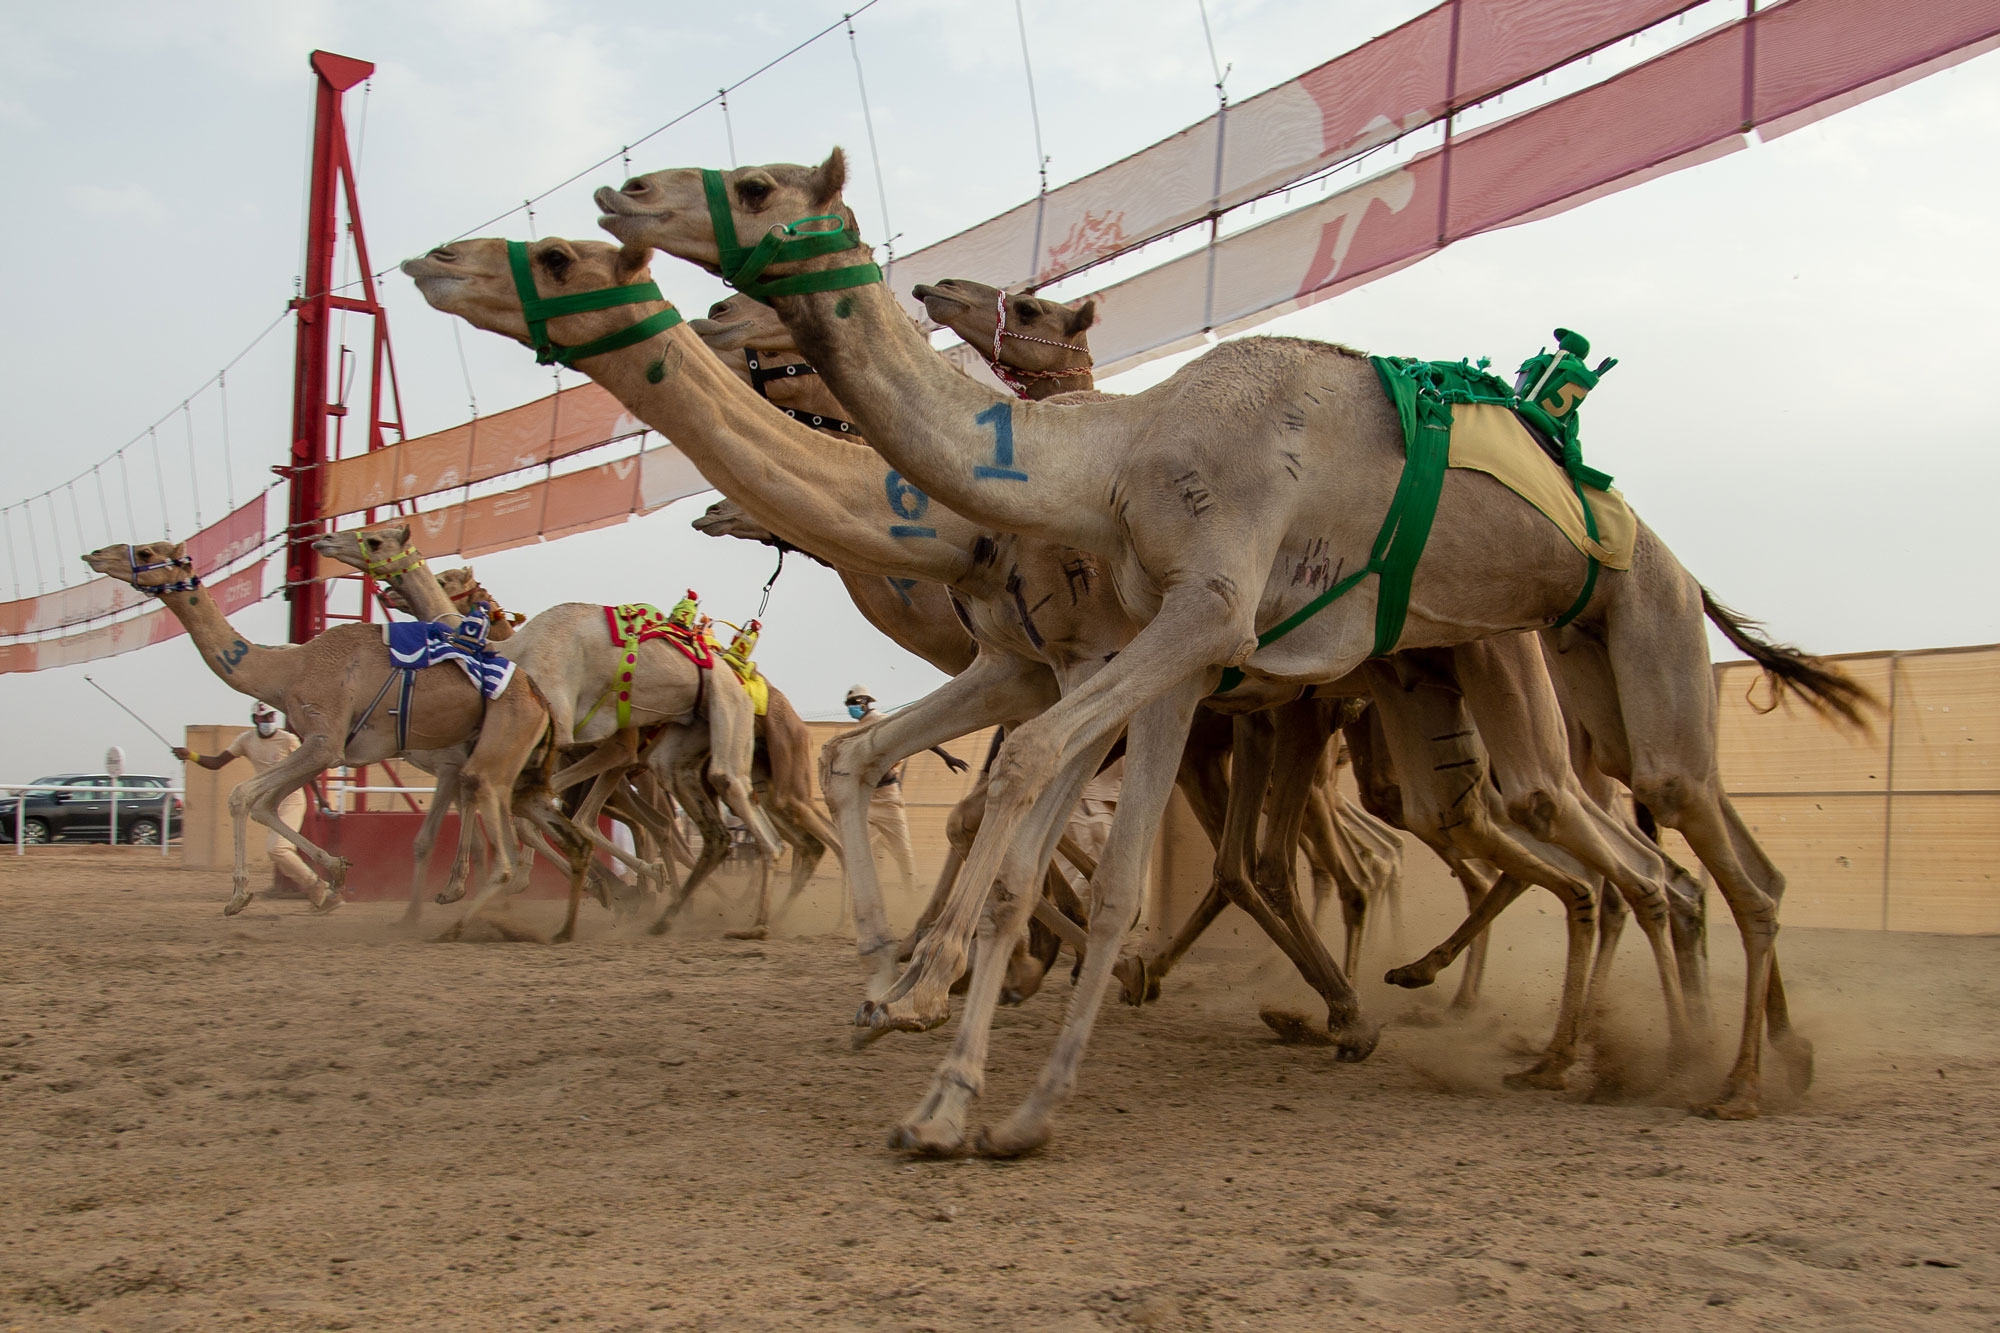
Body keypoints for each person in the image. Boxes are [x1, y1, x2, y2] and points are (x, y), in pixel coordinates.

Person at [173, 702, 335, 910]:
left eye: (270, 717)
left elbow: (307, 768)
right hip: (269, 803)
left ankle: (316, 885)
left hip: (291, 799)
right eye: (264, 718)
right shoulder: (245, 741)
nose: (268, 721)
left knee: (277, 849)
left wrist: (320, 798)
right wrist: (191, 756)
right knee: (276, 851)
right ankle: (325, 893)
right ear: (255, 720)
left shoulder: (288, 740)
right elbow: (216, 763)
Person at [844, 684, 969, 899]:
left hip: (888, 798)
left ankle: (912, 902)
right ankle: (863, 908)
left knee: (904, 856)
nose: (852, 709)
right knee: (859, 855)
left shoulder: (882, 721)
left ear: (865, 702)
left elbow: (916, 735)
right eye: (849, 705)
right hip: (865, 800)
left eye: (854, 704)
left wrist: (946, 756)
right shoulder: (858, 729)